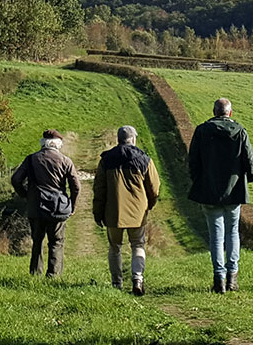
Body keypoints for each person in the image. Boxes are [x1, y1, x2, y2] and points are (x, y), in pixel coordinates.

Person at [187, 97, 253, 292]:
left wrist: (197, 180)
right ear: (230, 113)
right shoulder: (240, 131)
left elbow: (193, 160)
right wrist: (250, 178)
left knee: (216, 236)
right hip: (233, 190)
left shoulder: (201, 130)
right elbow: (249, 159)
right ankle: (232, 277)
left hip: (208, 189)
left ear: (214, 111)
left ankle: (219, 278)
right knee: (233, 232)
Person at [93, 125, 160, 295]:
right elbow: (154, 187)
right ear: (134, 139)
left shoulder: (106, 160)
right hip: (137, 213)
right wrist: (149, 204)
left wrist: (98, 212)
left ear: (118, 139)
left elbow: (99, 189)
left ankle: (117, 283)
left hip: (113, 212)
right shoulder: (144, 159)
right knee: (138, 244)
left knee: (115, 247)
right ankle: (137, 279)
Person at [12, 130, 80, 279]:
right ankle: (53, 276)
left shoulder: (30, 160)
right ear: (58, 144)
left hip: (36, 207)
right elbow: (76, 186)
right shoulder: (65, 161)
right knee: (56, 242)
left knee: (37, 241)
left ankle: (35, 274)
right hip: (58, 208)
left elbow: (16, 179)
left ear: (43, 143)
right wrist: (72, 205)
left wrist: (25, 195)